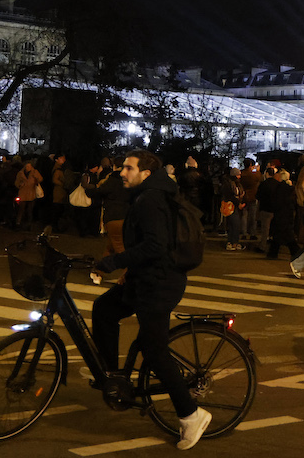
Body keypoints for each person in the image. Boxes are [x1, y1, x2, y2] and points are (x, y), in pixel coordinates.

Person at [90, 150, 210, 450]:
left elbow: (155, 246)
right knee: (104, 308)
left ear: (145, 173)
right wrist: (128, 269)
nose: (121, 172)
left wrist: (113, 262)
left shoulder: (152, 199)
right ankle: (112, 376)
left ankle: (191, 415)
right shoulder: (148, 195)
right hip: (144, 279)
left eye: (128, 168)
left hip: (160, 284)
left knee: (154, 350)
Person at [89, 158, 128, 284]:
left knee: (120, 249)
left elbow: (100, 191)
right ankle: (98, 272)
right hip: (126, 217)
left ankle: (131, 276)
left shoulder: (113, 179)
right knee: (110, 247)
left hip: (113, 217)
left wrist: (89, 189)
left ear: (114, 166)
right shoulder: (131, 180)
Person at [265, 169, 301, 260]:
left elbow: (275, 202)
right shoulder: (290, 189)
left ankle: (293, 251)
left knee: (283, 235)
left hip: (281, 214)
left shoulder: (279, 188)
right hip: (286, 214)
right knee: (283, 235)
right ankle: (292, 252)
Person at [14, 159, 43, 229]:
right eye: (27, 166)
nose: (28, 168)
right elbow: (16, 183)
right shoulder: (20, 173)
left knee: (29, 210)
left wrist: (36, 178)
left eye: (29, 166)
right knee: (21, 209)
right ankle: (18, 223)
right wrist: (20, 185)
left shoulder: (34, 172)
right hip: (23, 193)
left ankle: (28, 225)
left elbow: (40, 179)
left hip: (31, 193)